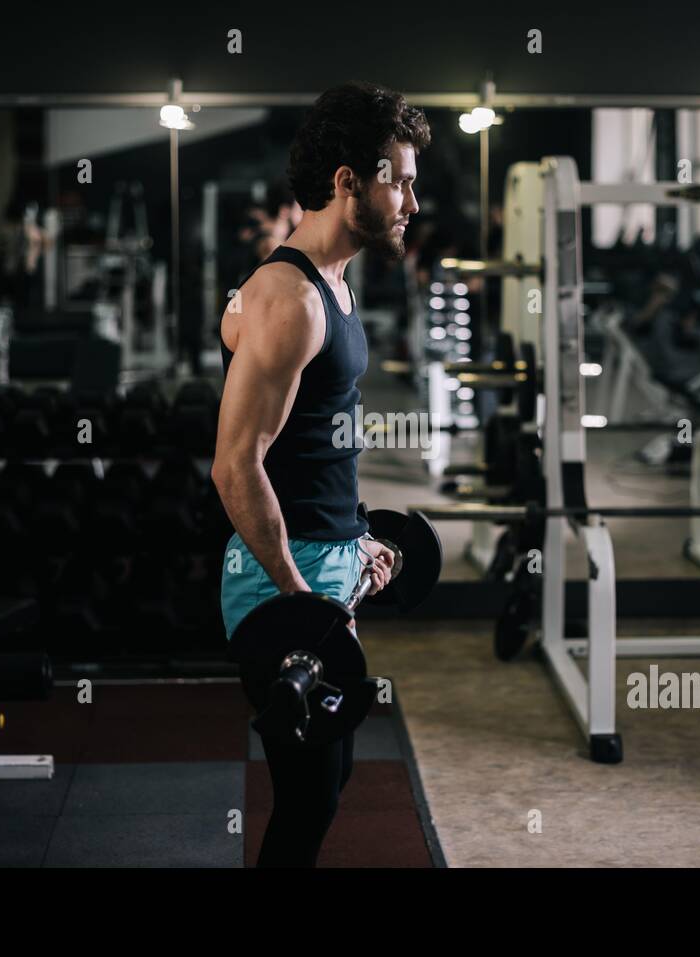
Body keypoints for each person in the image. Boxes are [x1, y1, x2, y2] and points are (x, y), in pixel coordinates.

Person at [211, 82, 429, 867]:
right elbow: (236, 466)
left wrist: (357, 536)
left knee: (326, 786)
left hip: (324, 563)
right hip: (281, 584)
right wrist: (304, 604)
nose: (411, 197)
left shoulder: (334, 284)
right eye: (397, 178)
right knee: (305, 800)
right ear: (348, 182)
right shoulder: (288, 297)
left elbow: (317, 448)